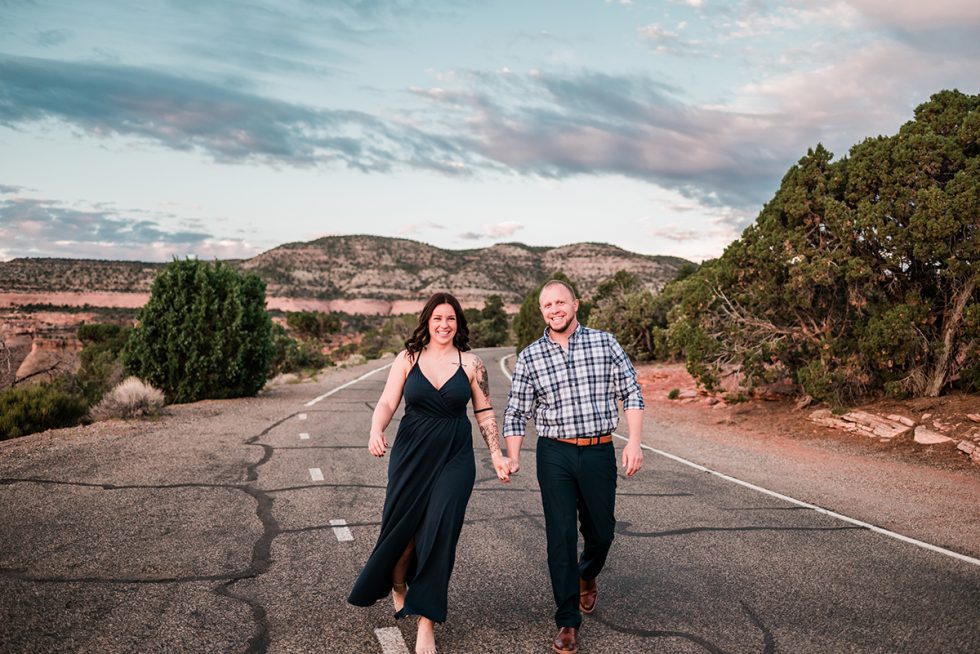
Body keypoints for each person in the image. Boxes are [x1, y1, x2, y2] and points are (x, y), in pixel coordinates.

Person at [348, 292, 511, 654]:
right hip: (411, 454)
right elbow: (389, 401)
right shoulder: (408, 358)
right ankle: (399, 585)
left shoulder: (472, 365)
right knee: (403, 537)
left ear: (459, 324)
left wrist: (497, 455)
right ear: (427, 321)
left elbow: (484, 412)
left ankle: (426, 621)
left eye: (450, 318)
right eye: (437, 318)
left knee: (439, 532)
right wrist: (376, 430)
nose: (444, 324)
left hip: (455, 456)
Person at [503, 279, 644, 654]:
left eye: (560, 302)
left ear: (575, 304)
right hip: (555, 454)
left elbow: (631, 390)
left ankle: (587, 574)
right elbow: (517, 411)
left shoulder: (605, 342)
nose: (554, 310)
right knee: (560, 535)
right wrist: (513, 454)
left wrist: (633, 440)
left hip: (598, 451)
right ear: (542, 312)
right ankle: (567, 620)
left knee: (603, 531)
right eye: (547, 305)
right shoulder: (531, 356)